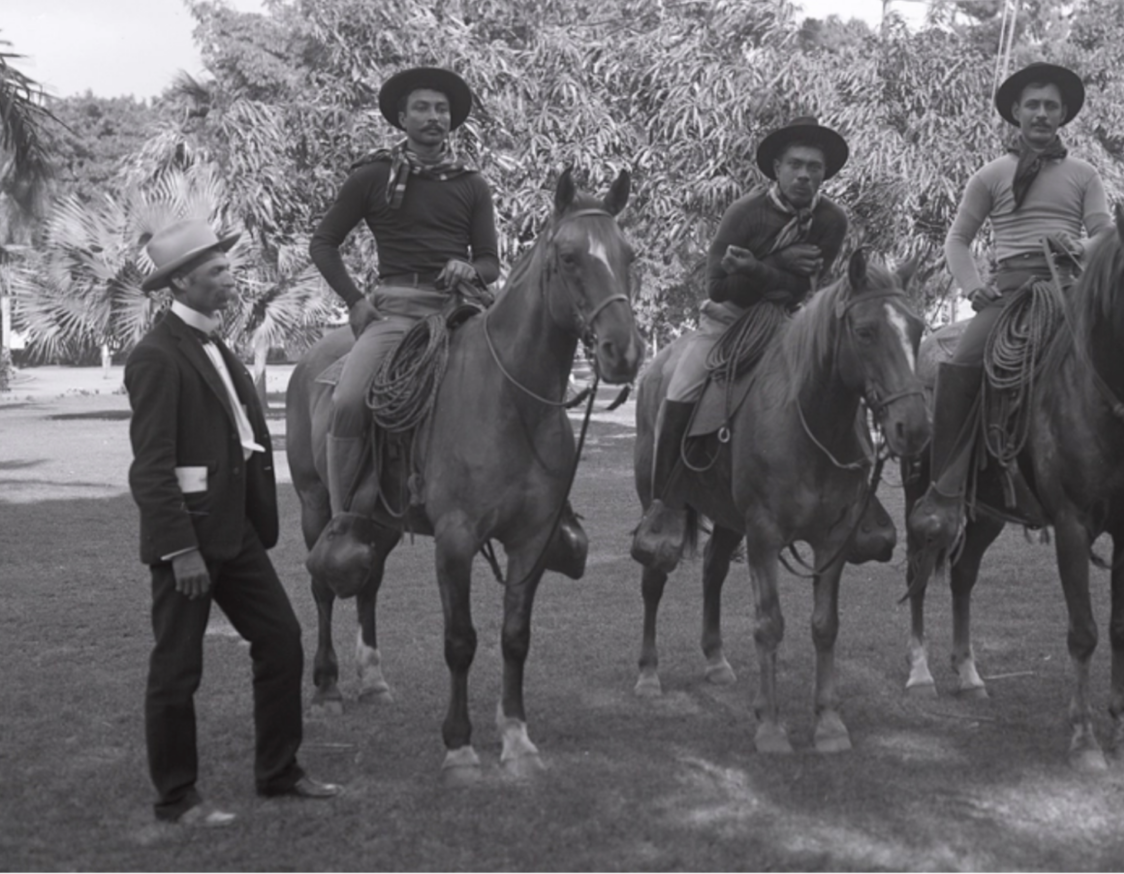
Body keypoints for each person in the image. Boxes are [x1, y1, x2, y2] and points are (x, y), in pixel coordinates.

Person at [306, 67, 580, 588]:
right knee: (347, 399)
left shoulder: (470, 183)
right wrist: (355, 301)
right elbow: (323, 244)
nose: (435, 118)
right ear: (402, 117)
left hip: (463, 309)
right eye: (424, 109)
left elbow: (491, 264)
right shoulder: (372, 176)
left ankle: (556, 510)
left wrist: (469, 269)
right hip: (399, 311)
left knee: (538, 389)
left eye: (442, 110)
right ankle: (346, 523)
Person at [126, 220, 340, 829]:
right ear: (181, 281)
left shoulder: (217, 346)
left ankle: (277, 773)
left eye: (227, 267)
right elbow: (152, 467)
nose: (229, 278)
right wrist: (179, 550)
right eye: (216, 271)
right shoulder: (156, 357)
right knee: (177, 668)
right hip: (189, 543)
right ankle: (177, 800)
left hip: (237, 534)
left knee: (281, 640)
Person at [909, 62, 1112, 536]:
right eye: (1033, 105)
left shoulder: (1085, 174)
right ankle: (946, 487)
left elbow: (1105, 233)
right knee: (962, 365)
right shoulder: (991, 175)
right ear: (1016, 112)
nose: (1042, 114)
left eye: (1051, 106)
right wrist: (971, 285)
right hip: (1010, 291)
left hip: (1069, 287)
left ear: (1063, 115)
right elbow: (958, 240)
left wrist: (1080, 246)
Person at [635, 116, 851, 545]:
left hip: (789, 324)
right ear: (776, 167)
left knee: (842, 380)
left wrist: (755, 268)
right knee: (680, 390)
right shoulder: (745, 213)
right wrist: (782, 263)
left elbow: (803, 288)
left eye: (815, 167)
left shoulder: (831, 221)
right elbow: (717, 286)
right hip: (726, 321)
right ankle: (666, 505)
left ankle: (851, 495)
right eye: (795, 164)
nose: (805, 175)